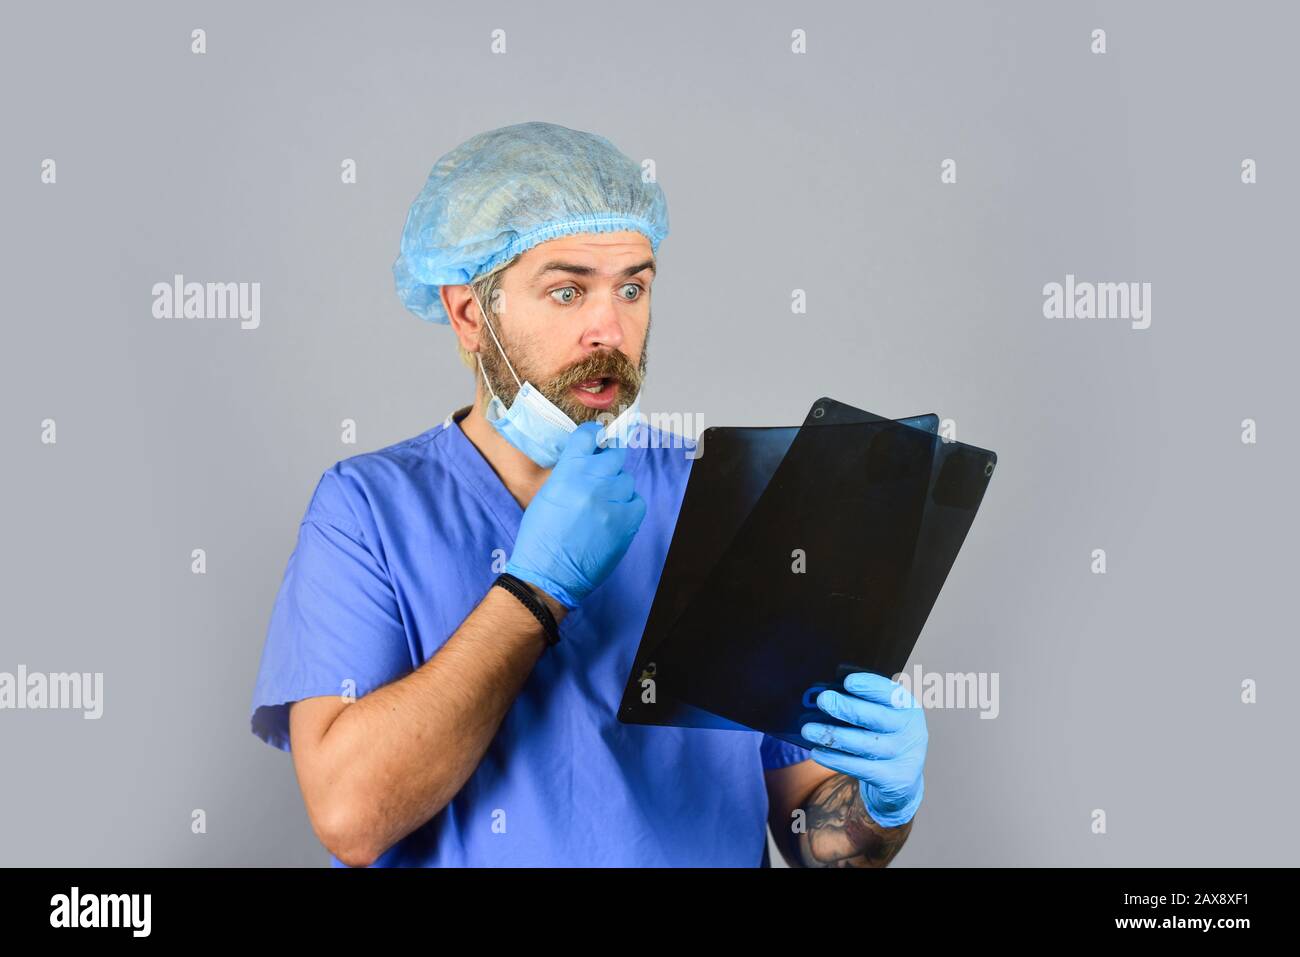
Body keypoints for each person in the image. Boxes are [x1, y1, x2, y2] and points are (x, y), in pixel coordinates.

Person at [248, 121, 927, 867]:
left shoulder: (727, 502)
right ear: (471, 313)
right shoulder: (368, 511)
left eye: (632, 287)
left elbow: (822, 842)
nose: (610, 328)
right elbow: (350, 817)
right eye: (567, 290)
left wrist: (879, 798)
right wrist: (535, 590)